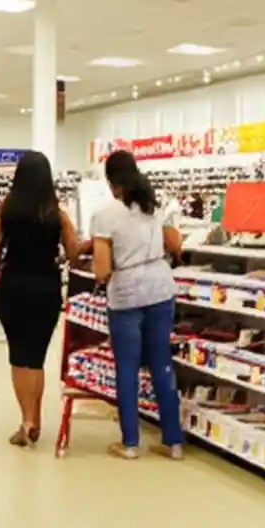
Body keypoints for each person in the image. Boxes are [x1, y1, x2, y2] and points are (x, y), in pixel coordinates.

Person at [93, 150, 184, 460]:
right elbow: (176, 243)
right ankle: (173, 442)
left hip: (127, 294)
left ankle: (130, 442)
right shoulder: (154, 206)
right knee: (162, 364)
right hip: (160, 288)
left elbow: (101, 270)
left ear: (112, 182)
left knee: (128, 367)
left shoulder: (105, 216)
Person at [0, 151, 84, 447]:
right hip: (46, 288)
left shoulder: (5, 211)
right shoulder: (57, 214)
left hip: (14, 286)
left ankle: (27, 421)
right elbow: (73, 252)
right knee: (37, 358)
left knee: (19, 356)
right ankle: (36, 420)